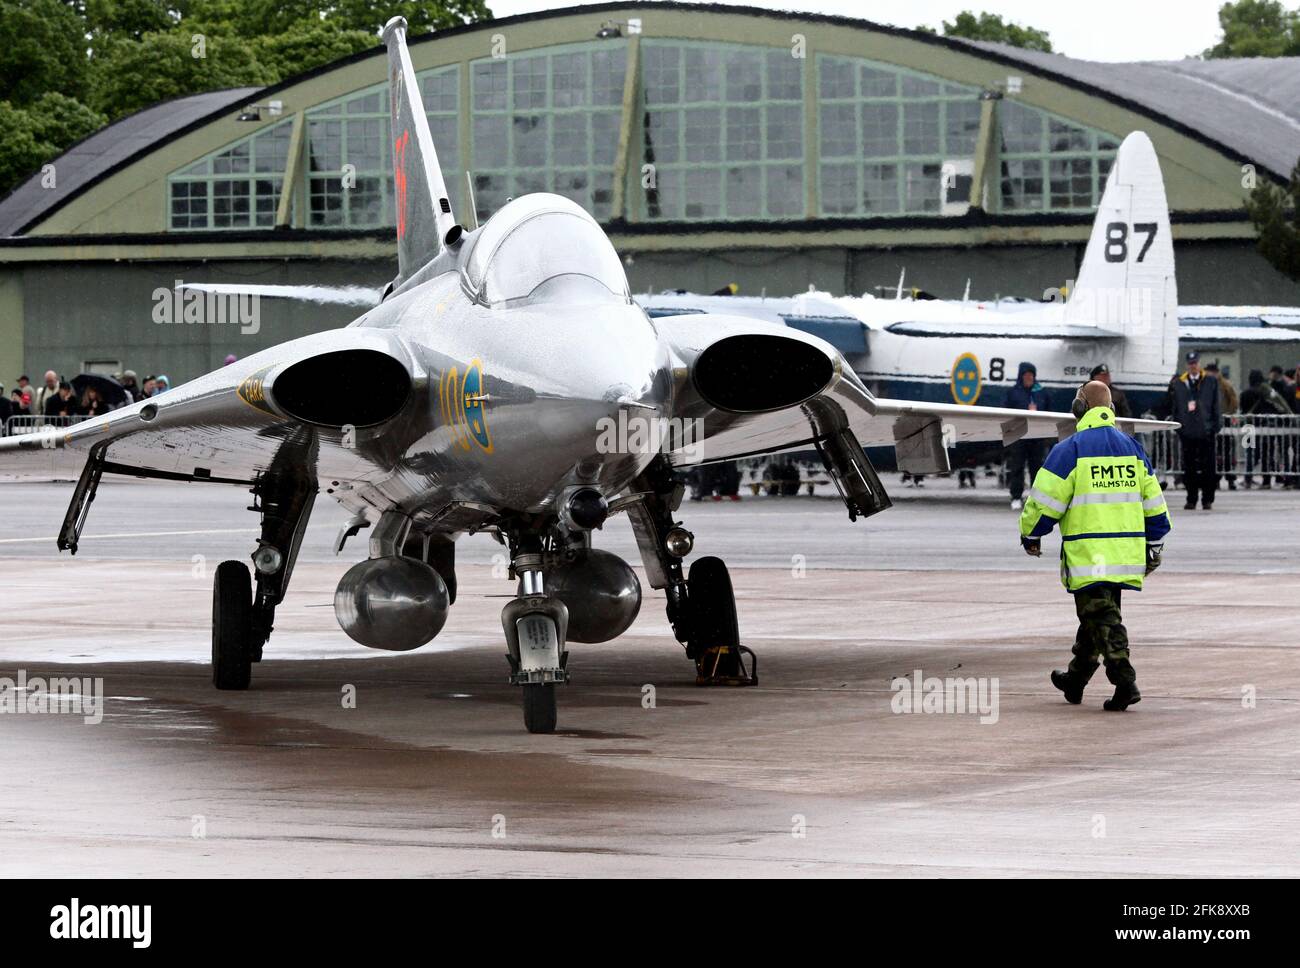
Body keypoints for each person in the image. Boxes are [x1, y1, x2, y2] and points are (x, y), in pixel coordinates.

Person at [1019, 380, 1170, 711]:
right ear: (1111, 410)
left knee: (1102, 618)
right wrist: (1155, 545)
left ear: (1079, 409)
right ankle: (1075, 679)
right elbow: (1154, 503)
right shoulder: (1133, 448)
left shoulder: (1069, 450)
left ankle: (1125, 682)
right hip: (1126, 555)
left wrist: (1031, 534)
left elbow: (1044, 502)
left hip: (1090, 556)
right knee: (1096, 618)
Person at [1169, 351, 1220, 510]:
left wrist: (1214, 427)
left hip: (1206, 431)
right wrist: (1180, 428)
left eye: (1195, 363)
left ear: (1199, 364)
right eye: (1191, 363)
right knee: (1189, 467)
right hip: (1188, 431)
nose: (1193, 366)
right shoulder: (1179, 383)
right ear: (1187, 365)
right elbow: (1175, 407)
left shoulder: (1210, 381)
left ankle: (1207, 499)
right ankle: (1191, 498)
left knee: (1208, 467)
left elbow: (1216, 406)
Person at [1004, 361, 1050, 511]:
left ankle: (1036, 497)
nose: (1029, 378)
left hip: (1036, 437)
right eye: (1026, 375)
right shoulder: (1013, 393)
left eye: (1032, 375)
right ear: (1021, 376)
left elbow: (1049, 412)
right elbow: (1005, 413)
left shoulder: (1041, 392)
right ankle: (1016, 496)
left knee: (1036, 468)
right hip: (1019, 437)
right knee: (1017, 467)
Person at [1239, 369, 1290, 489]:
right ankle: (1273, 478)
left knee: (1250, 452)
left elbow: (1242, 409)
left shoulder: (1246, 393)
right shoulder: (1266, 390)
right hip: (1265, 426)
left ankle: (1248, 478)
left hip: (1249, 426)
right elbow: (1280, 405)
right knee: (1268, 452)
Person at [1204, 363, 1238, 490]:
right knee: (1214, 453)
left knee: (1227, 452)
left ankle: (1230, 478)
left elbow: (1233, 402)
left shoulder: (1225, 385)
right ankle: (1216, 479)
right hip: (1212, 421)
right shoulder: (1207, 384)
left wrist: (1227, 415)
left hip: (1224, 421)